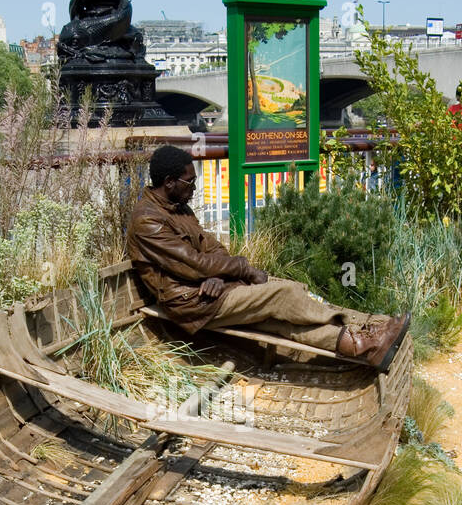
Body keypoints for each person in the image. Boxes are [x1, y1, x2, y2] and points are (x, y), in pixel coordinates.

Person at [126, 146, 410, 371]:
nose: (195, 188)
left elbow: (213, 249)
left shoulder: (178, 207)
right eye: (191, 181)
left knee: (283, 315)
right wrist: (238, 268)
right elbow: (193, 264)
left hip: (210, 288)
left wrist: (217, 274)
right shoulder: (148, 221)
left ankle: (366, 342)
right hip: (192, 303)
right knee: (282, 295)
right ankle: (365, 331)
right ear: (170, 182)